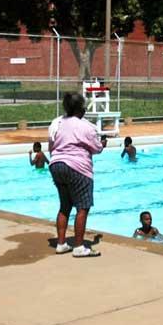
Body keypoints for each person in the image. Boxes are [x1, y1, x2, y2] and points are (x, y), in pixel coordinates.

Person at [48, 92, 106, 257]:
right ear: (81, 109)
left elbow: (51, 146)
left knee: (64, 206)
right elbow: (97, 149)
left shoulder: (57, 123)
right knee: (83, 207)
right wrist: (102, 144)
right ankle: (79, 246)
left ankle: (61, 243)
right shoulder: (85, 126)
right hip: (78, 168)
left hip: (56, 165)